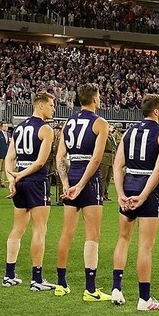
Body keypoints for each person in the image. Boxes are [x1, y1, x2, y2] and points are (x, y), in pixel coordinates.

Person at [111, 93, 159, 311]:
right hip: (146, 190)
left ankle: (116, 288)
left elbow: (118, 165)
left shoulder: (129, 132)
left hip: (128, 186)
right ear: (155, 111)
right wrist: (144, 195)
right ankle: (144, 299)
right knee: (145, 246)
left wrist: (120, 193)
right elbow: (158, 170)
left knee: (123, 238)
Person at [54, 84, 112, 300]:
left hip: (72, 177)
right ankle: (90, 289)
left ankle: (61, 284)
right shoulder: (100, 123)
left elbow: (60, 157)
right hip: (89, 179)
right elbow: (96, 159)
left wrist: (67, 184)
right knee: (92, 235)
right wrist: (80, 185)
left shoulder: (68, 123)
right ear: (95, 99)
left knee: (66, 233)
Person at [4, 91, 58, 290]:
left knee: (18, 228)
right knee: (39, 229)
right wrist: (19, 175)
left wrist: (13, 178)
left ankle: (9, 275)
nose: (53, 108)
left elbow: (10, 157)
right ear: (41, 105)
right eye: (51, 105)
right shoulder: (45, 129)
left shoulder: (19, 128)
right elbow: (41, 162)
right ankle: (37, 278)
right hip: (36, 181)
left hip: (20, 180)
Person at [0, 120, 10, 187]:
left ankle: (2, 182)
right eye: (5, 126)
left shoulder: (8, 134)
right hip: (0, 154)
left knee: (3, 169)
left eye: (7, 126)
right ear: (1, 127)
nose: (6, 128)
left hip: (5, 154)